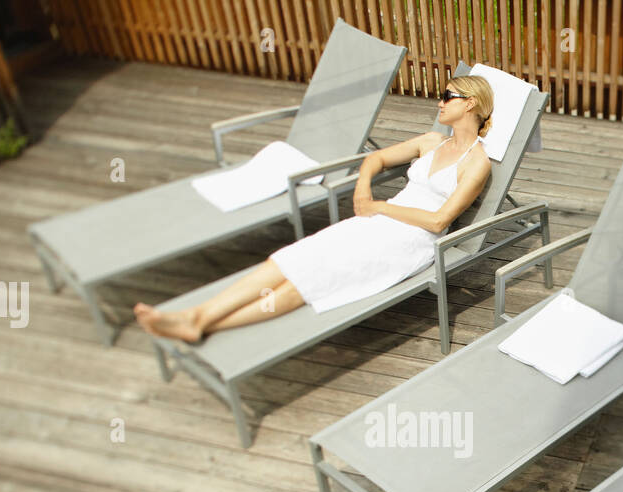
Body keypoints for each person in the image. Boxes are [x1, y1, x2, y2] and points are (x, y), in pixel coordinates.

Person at [134, 76, 495, 342]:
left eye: (448, 96)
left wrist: (379, 206)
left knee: (307, 281)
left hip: (410, 239)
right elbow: (377, 158)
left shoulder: (476, 162)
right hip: (378, 220)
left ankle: (203, 324)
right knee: (291, 257)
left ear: (471, 104)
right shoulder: (432, 141)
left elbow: (439, 220)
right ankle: (195, 315)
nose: (439, 103)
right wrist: (362, 189)